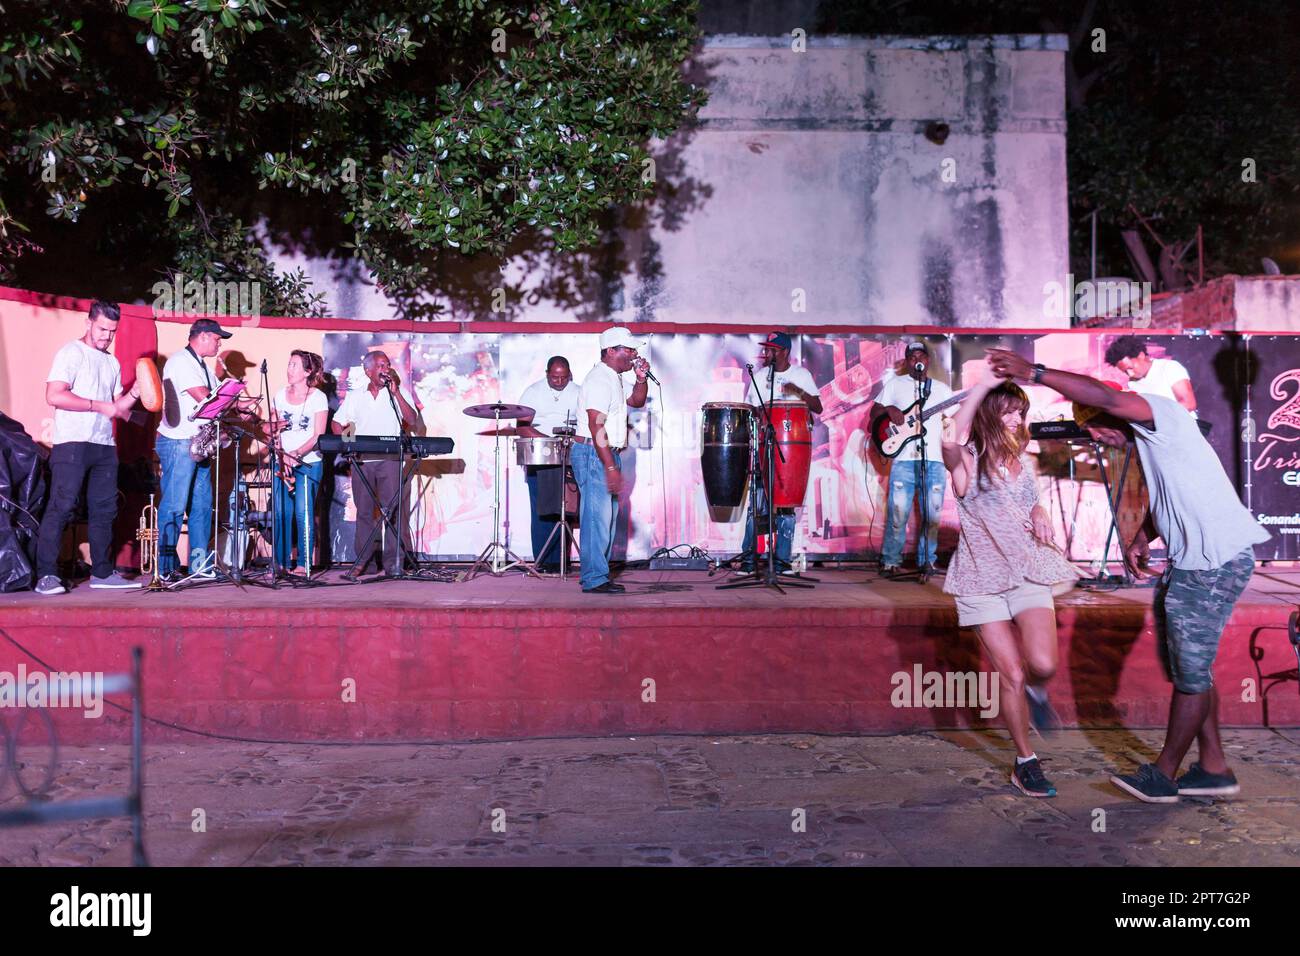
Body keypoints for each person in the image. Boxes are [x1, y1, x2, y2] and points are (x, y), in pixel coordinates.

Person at [987, 347, 1269, 803]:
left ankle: (1162, 776)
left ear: (1112, 415)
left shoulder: (1158, 411)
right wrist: (1143, 536)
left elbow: (1107, 395)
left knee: (1191, 674)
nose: (1097, 438)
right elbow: (1180, 495)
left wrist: (1035, 372)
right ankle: (1214, 766)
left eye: (1096, 426)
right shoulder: (1155, 443)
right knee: (1190, 666)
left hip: (1213, 563)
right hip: (1198, 562)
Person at [941, 364, 1080, 797]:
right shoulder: (968, 462)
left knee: (1043, 665)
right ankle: (1025, 761)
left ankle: (1039, 694)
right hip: (981, 579)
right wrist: (983, 385)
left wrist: (1040, 512)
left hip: (1026, 573)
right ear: (989, 414)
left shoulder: (1021, 463)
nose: (1020, 420)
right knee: (1012, 675)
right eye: (1011, 413)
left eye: (1022, 413)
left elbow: (1030, 502)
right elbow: (950, 439)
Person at [34, 300, 144, 594]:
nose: (106, 336)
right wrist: (96, 405)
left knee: (104, 510)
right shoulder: (70, 353)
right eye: (102, 329)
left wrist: (135, 392)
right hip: (72, 443)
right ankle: (46, 575)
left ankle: (102, 573)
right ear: (88, 323)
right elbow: (54, 395)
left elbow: (117, 408)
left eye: (112, 331)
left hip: (104, 445)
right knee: (62, 505)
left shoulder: (111, 362)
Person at [573, 327, 650, 594]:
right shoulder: (599, 379)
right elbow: (597, 426)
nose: (633, 354)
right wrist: (609, 466)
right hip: (595, 453)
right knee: (597, 518)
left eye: (633, 350)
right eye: (627, 350)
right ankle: (594, 578)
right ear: (610, 351)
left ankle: (598, 575)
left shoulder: (614, 378)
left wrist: (641, 379)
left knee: (605, 518)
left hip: (604, 453)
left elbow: (637, 402)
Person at [739, 331, 822, 575]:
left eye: (773, 349)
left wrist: (798, 391)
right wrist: (756, 413)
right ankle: (749, 560)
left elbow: (817, 406)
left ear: (785, 351)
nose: (767, 353)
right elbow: (752, 408)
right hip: (764, 444)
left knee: (785, 506)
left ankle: (782, 561)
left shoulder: (801, 375)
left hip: (791, 447)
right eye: (766, 349)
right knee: (758, 503)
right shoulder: (762, 375)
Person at [331, 350, 420, 578]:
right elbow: (338, 423)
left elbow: (411, 420)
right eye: (380, 365)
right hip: (363, 461)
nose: (385, 369)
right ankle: (366, 562)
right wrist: (350, 444)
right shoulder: (356, 395)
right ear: (368, 370)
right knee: (364, 514)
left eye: (388, 365)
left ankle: (393, 564)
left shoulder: (397, 393)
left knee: (393, 513)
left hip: (390, 460)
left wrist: (397, 393)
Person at [155, 318, 231, 578]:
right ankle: (164, 569)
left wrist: (243, 407)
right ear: (203, 336)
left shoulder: (204, 367)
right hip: (179, 442)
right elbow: (205, 397)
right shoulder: (180, 361)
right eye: (217, 338)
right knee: (174, 507)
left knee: (201, 507)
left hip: (200, 443)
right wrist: (232, 399)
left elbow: (219, 397)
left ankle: (200, 565)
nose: (220, 343)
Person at [875, 341, 954, 577]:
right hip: (903, 460)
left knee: (932, 516)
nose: (916, 359)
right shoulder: (895, 385)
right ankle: (890, 561)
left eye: (920, 355)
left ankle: (926, 561)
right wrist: (889, 409)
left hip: (935, 460)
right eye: (911, 356)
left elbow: (955, 420)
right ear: (907, 361)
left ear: (927, 360)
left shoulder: (941, 390)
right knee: (898, 515)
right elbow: (874, 413)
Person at [517, 356, 581, 572]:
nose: (559, 382)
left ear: (569, 374)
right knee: (541, 509)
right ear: (547, 374)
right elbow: (522, 427)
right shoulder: (533, 392)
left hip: (569, 455)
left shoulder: (579, 392)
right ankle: (544, 561)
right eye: (555, 378)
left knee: (564, 508)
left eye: (563, 377)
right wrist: (550, 441)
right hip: (540, 455)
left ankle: (560, 562)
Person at [270, 350, 328, 576]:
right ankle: (281, 562)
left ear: (308, 371)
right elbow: (273, 429)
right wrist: (280, 453)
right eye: (289, 364)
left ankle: (304, 564)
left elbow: (317, 436)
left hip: (308, 461)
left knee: (303, 513)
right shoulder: (278, 395)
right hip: (282, 461)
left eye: (294, 365)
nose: (289, 369)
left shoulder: (318, 397)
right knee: (282, 512)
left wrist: (295, 454)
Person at [1104, 336, 1197, 415]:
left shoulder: (1169, 367)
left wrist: (1154, 416)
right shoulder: (1132, 383)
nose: (1130, 374)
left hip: (1186, 429)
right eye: (1125, 371)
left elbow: (1189, 404)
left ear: (1141, 356)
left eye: (1130, 368)